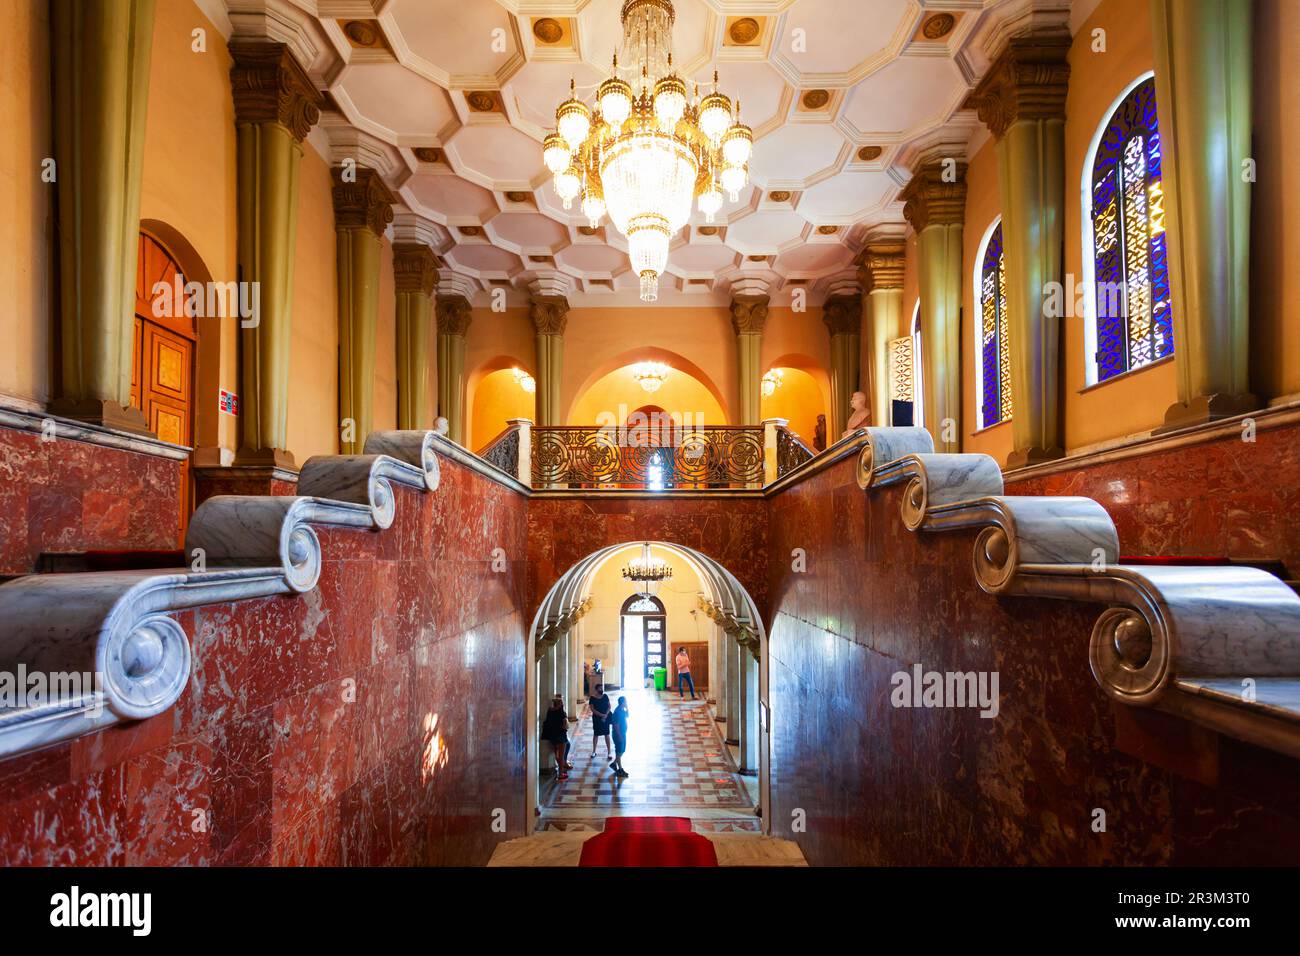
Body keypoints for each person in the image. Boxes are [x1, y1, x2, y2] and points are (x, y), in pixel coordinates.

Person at [541, 695, 572, 779]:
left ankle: (560, 771)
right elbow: (566, 726)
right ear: (561, 704)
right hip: (561, 736)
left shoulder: (549, 711)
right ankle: (561, 774)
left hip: (552, 736)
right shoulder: (562, 713)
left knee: (557, 755)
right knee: (561, 756)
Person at [589, 683, 613, 758]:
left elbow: (609, 706)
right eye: (600, 688)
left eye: (602, 688)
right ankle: (594, 751)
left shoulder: (605, 696)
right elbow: (592, 709)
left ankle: (609, 752)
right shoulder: (592, 698)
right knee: (596, 734)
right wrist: (601, 715)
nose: (601, 690)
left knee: (607, 734)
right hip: (597, 718)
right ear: (596, 690)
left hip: (605, 718)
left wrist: (606, 714)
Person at [609, 696, 630, 777]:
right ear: (622, 703)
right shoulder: (617, 712)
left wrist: (627, 708)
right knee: (619, 751)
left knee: (622, 750)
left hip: (623, 733)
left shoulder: (622, 710)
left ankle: (614, 764)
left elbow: (627, 715)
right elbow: (615, 726)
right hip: (619, 735)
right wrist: (619, 736)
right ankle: (620, 769)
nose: (626, 703)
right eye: (625, 702)